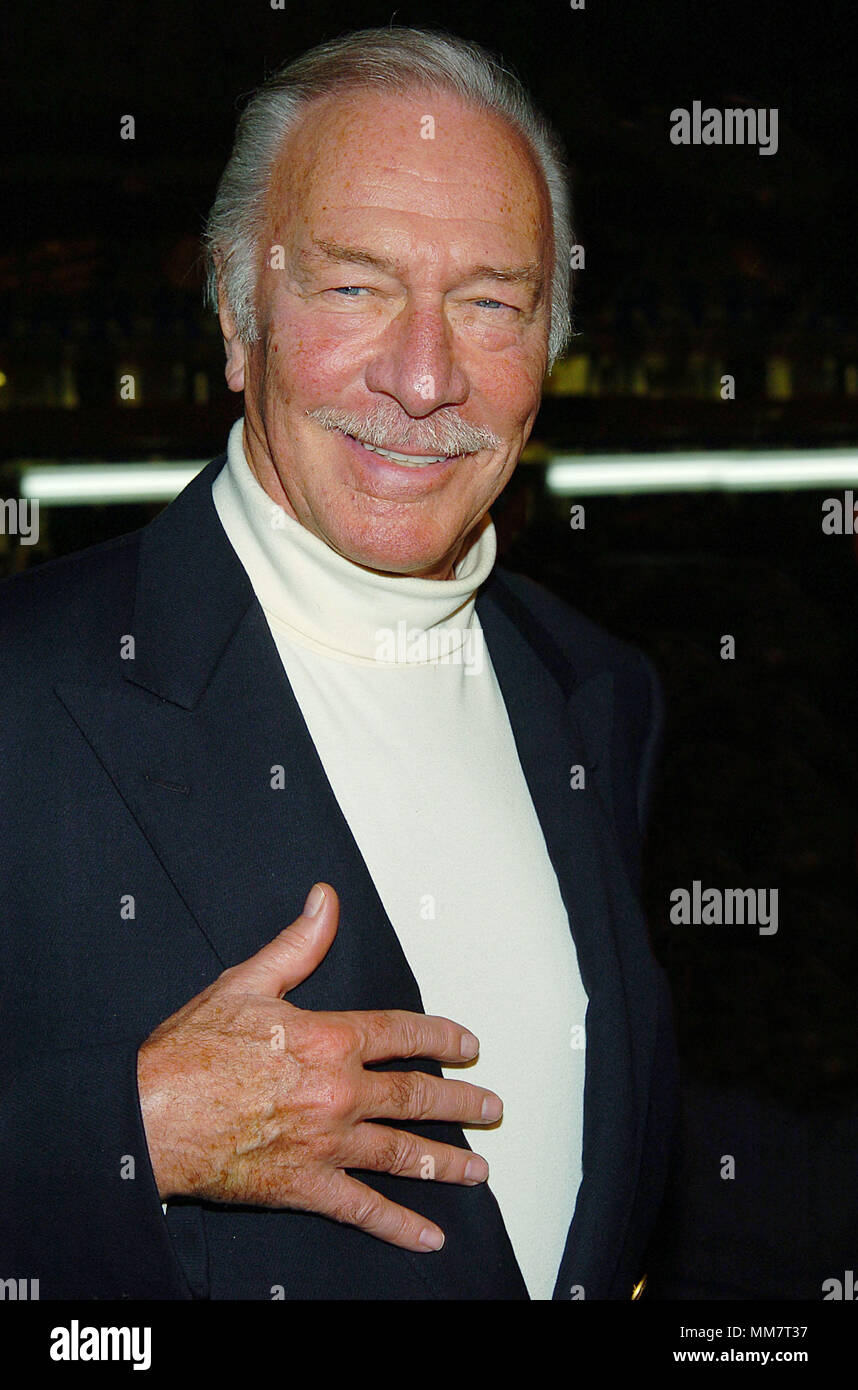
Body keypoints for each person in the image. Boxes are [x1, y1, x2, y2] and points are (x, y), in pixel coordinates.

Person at [0, 26, 677, 1300]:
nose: (425, 380)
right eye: (355, 286)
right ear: (237, 321)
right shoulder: (24, 697)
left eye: (488, 302)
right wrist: (135, 1132)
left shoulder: (598, 696)